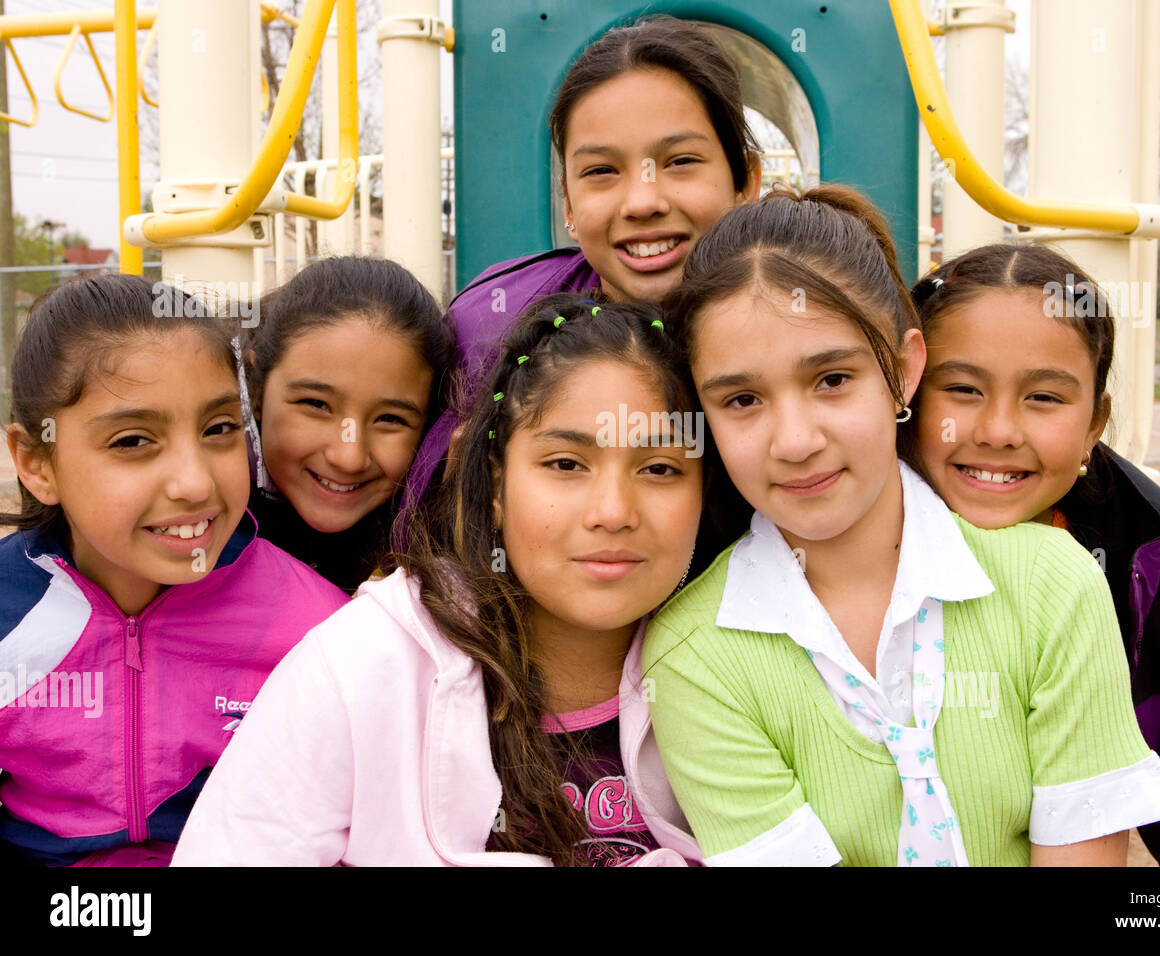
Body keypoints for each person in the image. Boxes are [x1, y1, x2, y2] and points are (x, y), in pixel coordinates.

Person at [645, 185, 1160, 866]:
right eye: (743, 399)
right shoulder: (694, 657)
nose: (794, 440)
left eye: (832, 380)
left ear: (902, 371)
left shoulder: (1053, 587)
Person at [173, 295, 705, 866]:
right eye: (565, 465)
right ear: (496, 488)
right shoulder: (364, 666)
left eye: (659, 469)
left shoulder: (741, 662)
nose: (613, 511)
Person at [908, 242, 1160, 865]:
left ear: (1095, 423)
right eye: (961, 388)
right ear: (904, 392)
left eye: (1044, 398)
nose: (998, 430)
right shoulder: (831, 528)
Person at [0, 275, 347, 866]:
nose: (195, 483)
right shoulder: (10, 615)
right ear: (36, 463)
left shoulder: (322, 632)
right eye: (134, 441)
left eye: (218, 430)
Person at [397, 14, 762, 538]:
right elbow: (422, 534)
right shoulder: (491, 326)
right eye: (601, 172)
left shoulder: (797, 325)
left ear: (745, 181)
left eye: (680, 161)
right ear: (568, 202)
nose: (643, 201)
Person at [243, 256, 456, 591]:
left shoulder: (434, 537)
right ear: (257, 390)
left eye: (390, 419)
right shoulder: (199, 511)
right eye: (316, 404)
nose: (349, 457)